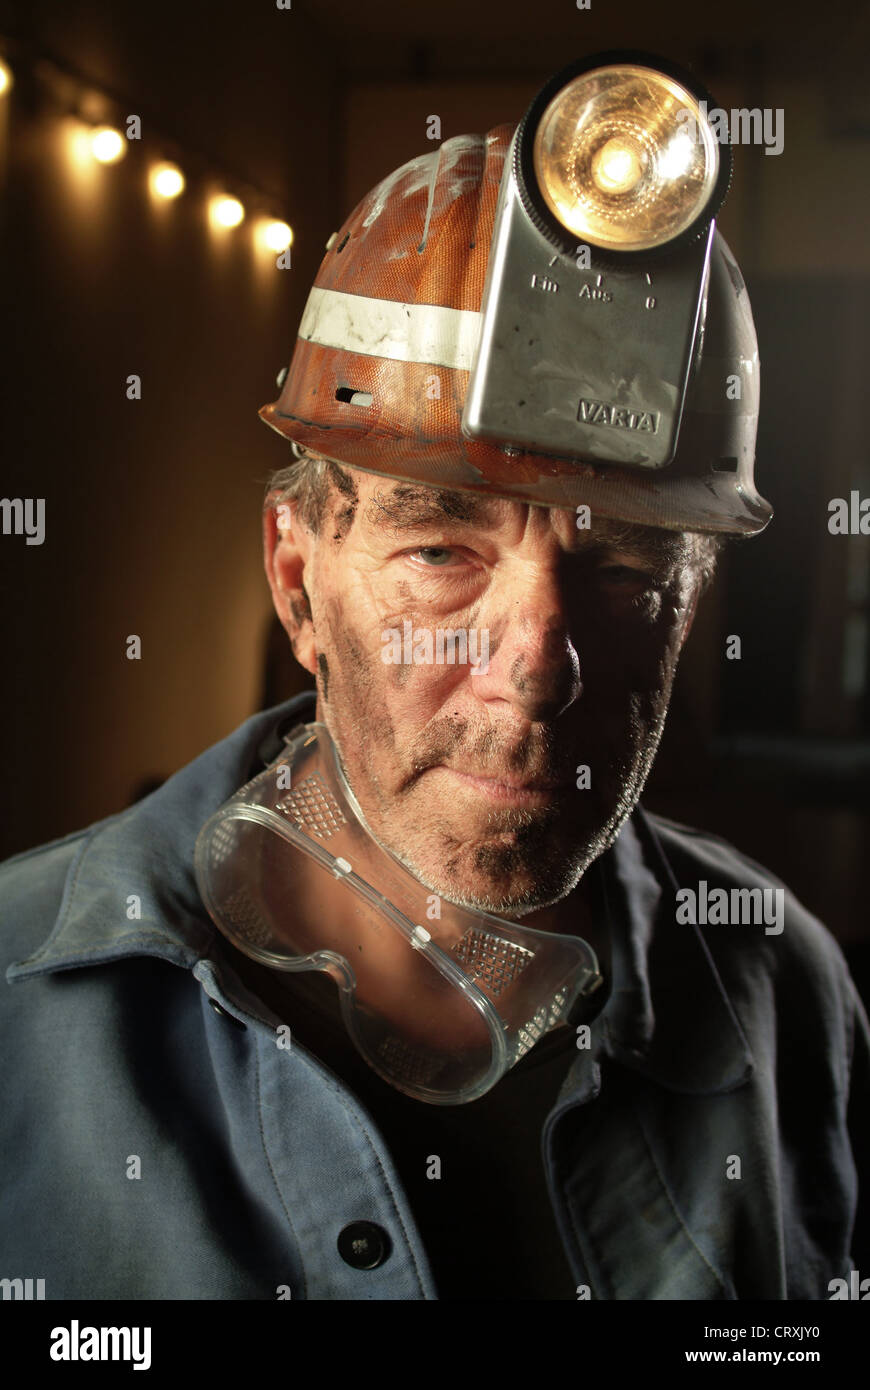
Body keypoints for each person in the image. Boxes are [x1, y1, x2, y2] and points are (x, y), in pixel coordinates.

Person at [1, 56, 868, 1302]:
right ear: (299, 582)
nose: (535, 672)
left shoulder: (781, 988)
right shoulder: (20, 1009)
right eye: (443, 550)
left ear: (691, 604)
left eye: (623, 567)